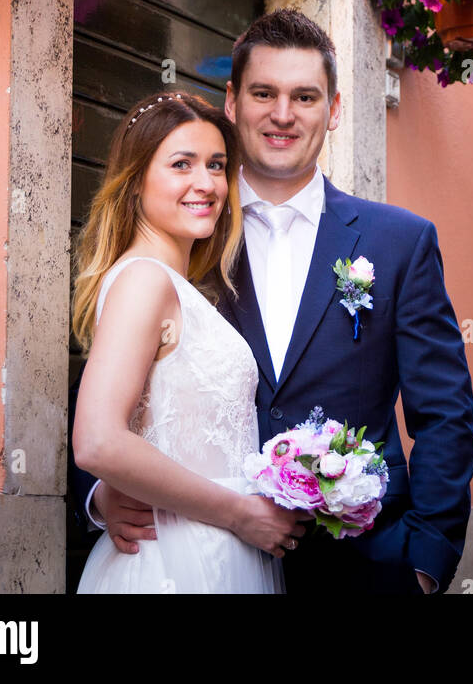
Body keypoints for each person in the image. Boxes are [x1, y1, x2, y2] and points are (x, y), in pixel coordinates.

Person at [73, 9, 473, 595]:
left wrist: (425, 562)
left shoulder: (400, 242)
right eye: (264, 93)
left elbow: (445, 414)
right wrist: (99, 494)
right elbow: (110, 398)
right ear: (233, 102)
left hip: (363, 565)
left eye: (305, 96)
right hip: (201, 556)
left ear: (334, 109)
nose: (283, 115)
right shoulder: (185, 239)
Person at [71, 90, 307, 594]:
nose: (207, 184)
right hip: (177, 562)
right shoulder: (144, 281)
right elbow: (97, 440)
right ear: (135, 183)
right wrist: (241, 513)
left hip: (219, 552)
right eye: (182, 164)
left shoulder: (180, 288)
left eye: (217, 166)